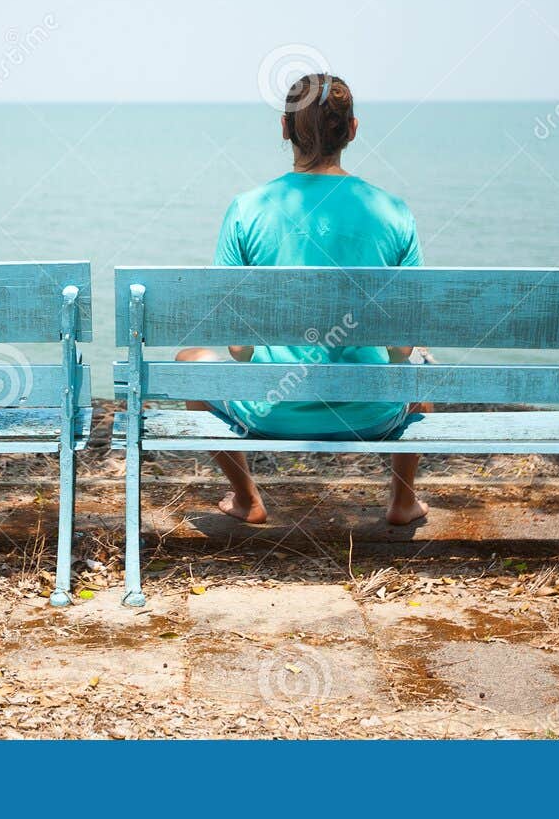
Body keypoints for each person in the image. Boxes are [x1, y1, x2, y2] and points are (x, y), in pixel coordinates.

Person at [176, 72, 431, 527]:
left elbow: (239, 349)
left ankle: (247, 499)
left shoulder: (247, 210)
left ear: (284, 128)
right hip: (371, 415)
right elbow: (401, 349)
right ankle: (403, 502)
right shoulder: (393, 212)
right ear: (352, 130)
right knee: (423, 365)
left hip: (270, 413)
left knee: (188, 361)